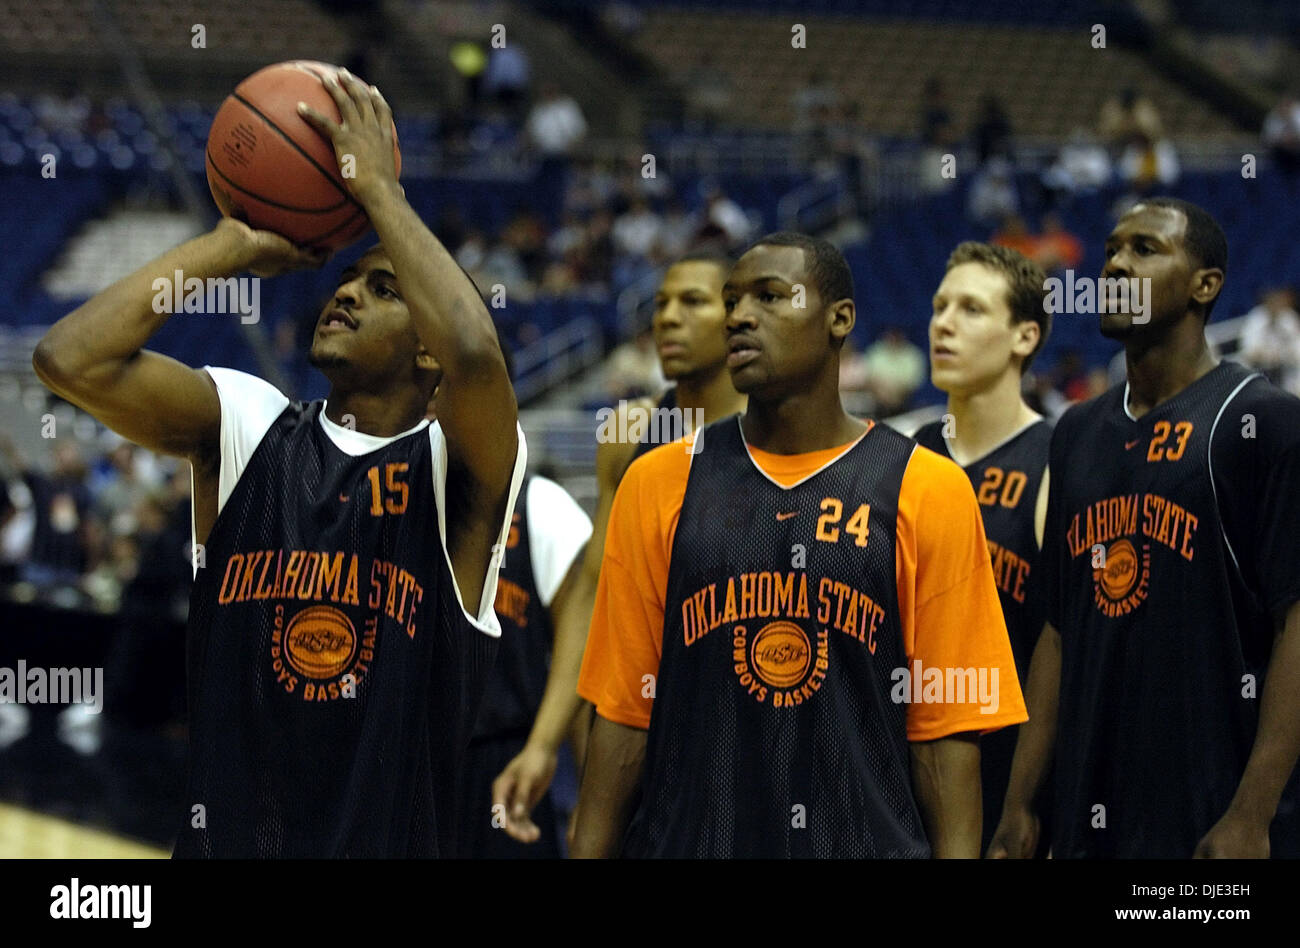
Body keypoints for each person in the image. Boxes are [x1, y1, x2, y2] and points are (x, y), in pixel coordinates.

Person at [32, 69, 526, 857]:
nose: (347, 296)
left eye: (384, 288)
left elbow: (474, 350)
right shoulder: (250, 423)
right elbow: (69, 359)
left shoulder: (456, 468)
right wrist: (229, 244)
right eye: (347, 280)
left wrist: (379, 197)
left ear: (427, 350)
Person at [573, 232, 1026, 858]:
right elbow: (623, 718)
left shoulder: (929, 487)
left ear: (840, 318)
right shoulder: (657, 481)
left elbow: (947, 737)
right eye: (732, 300)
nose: (739, 316)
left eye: (767, 296)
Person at [989, 198, 1300, 859]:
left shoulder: (1261, 423)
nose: (1115, 265)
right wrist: (1020, 799)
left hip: (1208, 821)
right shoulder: (1075, 433)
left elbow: (1296, 624)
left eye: (1144, 250)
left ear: (1205, 285)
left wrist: (1253, 812)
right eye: (1110, 251)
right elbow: (1056, 628)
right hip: (1085, 815)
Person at [558, 252, 745, 839]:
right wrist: (565, 735)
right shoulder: (627, 434)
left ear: (736, 317)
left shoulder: (777, 441)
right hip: (636, 725)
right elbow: (594, 591)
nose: (667, 318)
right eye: (661, 303)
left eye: (693, 301)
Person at [911, 242, 1053, 855]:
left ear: (1024, 336)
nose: (943, 323)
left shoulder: (1057, 459)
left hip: (1009, 785)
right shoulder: (903, 456)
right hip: (902, 782)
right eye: (941, 305)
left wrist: (1026, 803)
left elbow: (1061, 648)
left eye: (971, 309)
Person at [446, 345, 594, 858]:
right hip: (402, 762)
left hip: (505, 762)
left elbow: (581, 662)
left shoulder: (541, 505)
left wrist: (549, 755)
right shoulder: (387, 502)